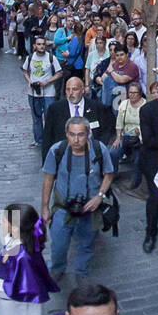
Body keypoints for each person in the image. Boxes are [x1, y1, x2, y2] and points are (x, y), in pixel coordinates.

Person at [39, 118, 112, 285]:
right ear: (66, 134)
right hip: (63, 208)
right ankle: (57, 269)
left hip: (90, 208)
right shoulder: (57, 150)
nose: (76, 140)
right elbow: (48, 179)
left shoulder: (99, 149)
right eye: (72, 135)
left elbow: (108, 174)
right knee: (58, 244)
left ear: (88, 134)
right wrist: (44, 207)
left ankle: (81, 272)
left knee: (86, 244)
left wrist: (99, 196)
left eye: (80, 135)